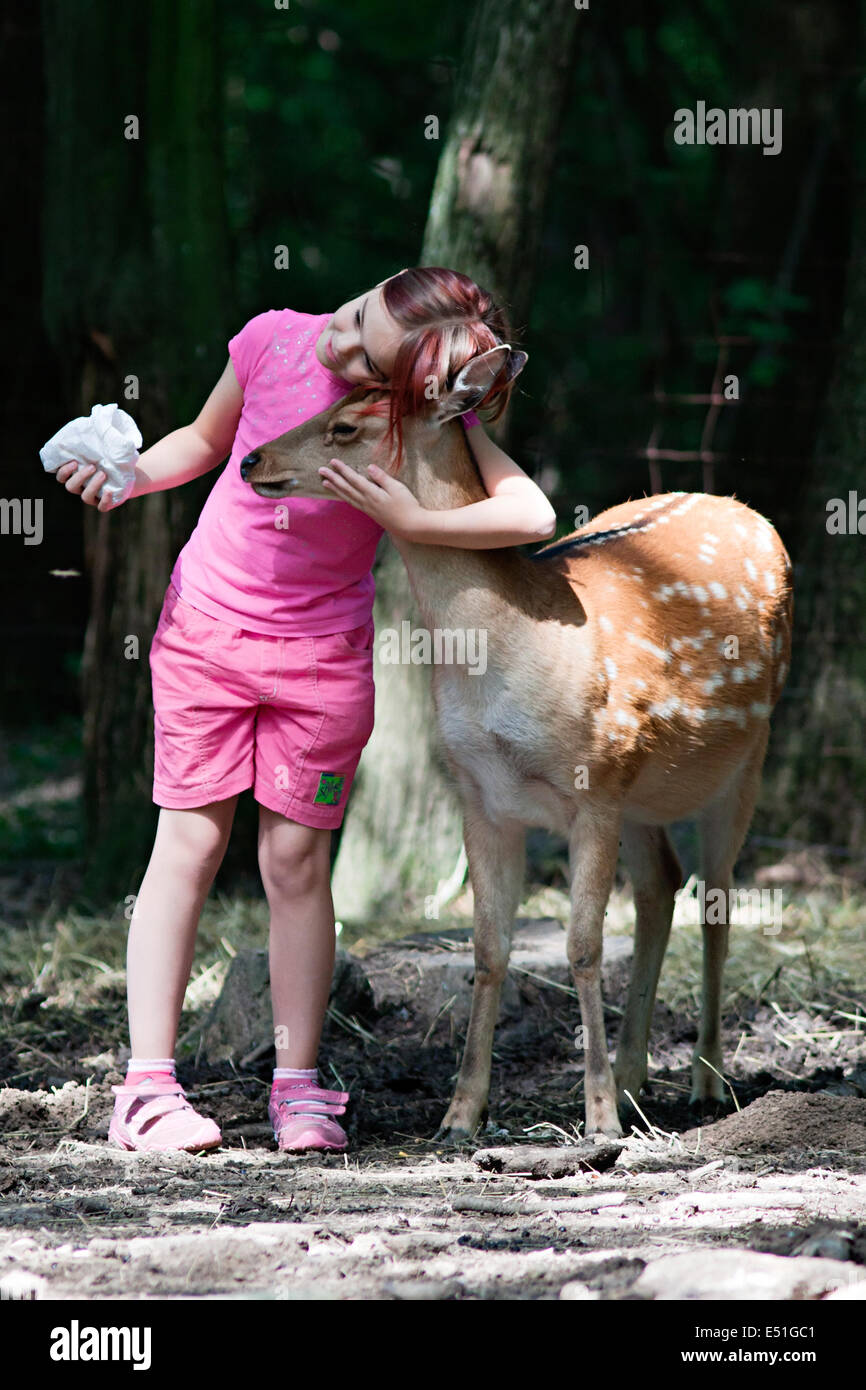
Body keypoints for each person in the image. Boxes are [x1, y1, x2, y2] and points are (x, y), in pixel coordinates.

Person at [53, 266, 557, 1155]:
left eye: (371, 356)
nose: (346, 346)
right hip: (206, 630)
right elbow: (203, 443)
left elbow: (532, 512)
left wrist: (415, 520)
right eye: (360, 317)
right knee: (192, 843)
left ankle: (297, 1084)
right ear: (372, 287)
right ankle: (146, 1088)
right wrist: (130, 478)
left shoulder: (422, 411)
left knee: (294, 862)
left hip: (323, 662)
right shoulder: (274, 336)